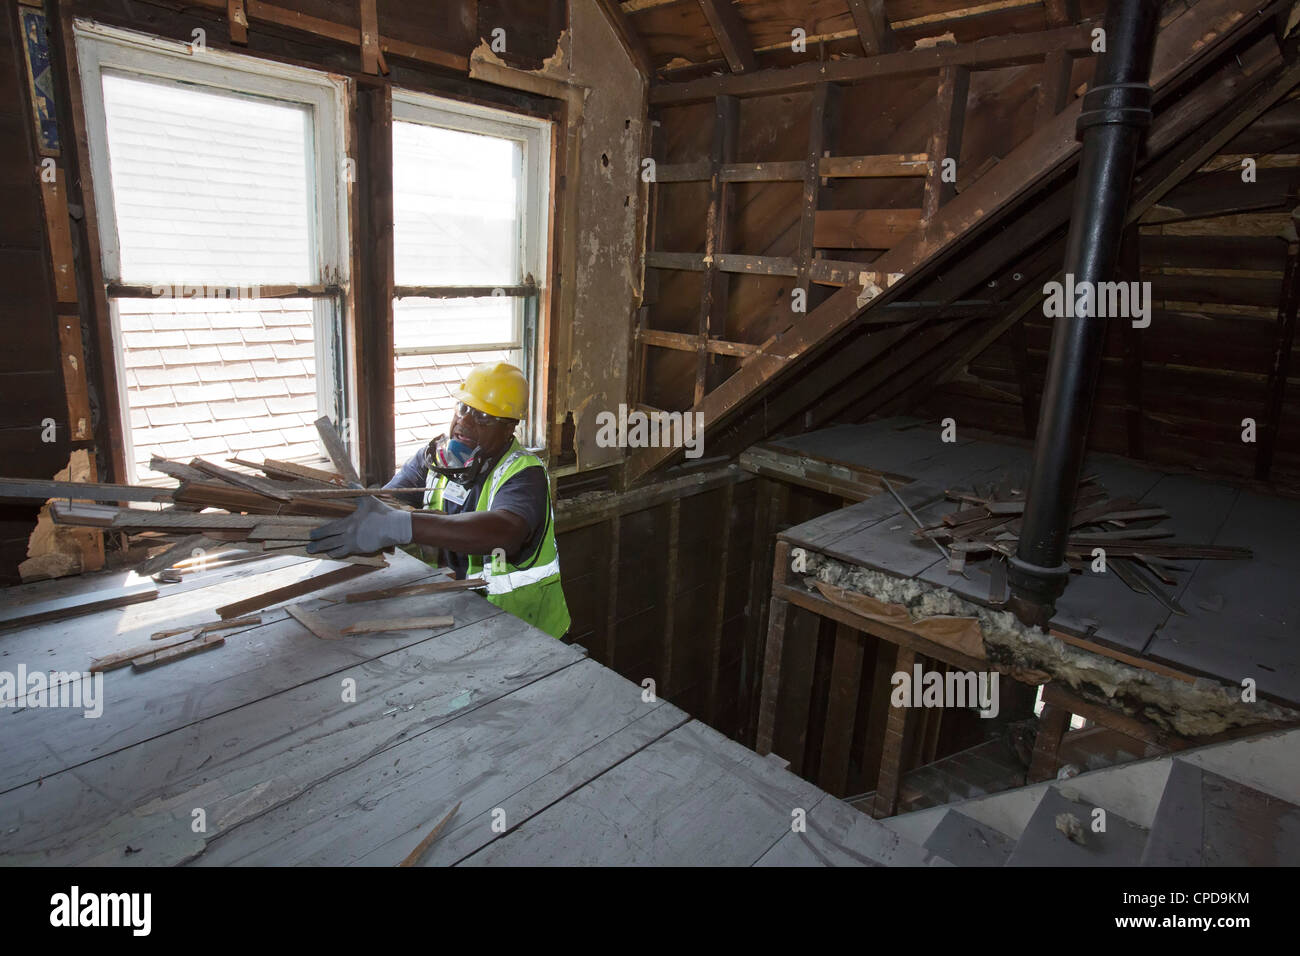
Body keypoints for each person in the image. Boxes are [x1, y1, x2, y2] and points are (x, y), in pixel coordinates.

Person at [308, 361, 571, 640]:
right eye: (464, 408)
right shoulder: (433, 459)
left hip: (528, 634)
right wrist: (349, 504)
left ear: (509, 428)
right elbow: (387, 502)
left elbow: (506, 532)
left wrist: (400, 526)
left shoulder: (524, 473)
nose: (465, 422)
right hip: (457, 618)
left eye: (483, 417)